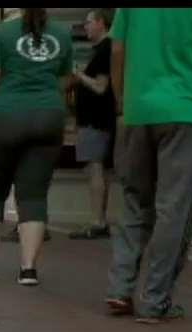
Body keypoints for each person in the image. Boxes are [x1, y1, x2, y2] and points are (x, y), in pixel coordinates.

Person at [105, 8, 192, 323]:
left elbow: (117, 49)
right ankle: (155, 300)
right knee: (174, 209)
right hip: (187, 110)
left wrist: (122, 101)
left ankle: (120, 288)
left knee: (133, 201)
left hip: (137, 110)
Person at [0, 8, 74, 286]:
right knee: (33, 196)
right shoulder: (62, 34)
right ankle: (28, 269)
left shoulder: (2, 34)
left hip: (6, 118)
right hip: (48, 118)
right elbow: (65, 80)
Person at [70, 9, 118, 240]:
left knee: (96, 168)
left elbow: (100, 87)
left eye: (88, 22)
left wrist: (78, 75)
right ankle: (99, 219)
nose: (85, 27)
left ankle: (97, 221)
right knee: (97, 169)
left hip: (96, 120)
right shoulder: (103, 49)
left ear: (101, 23)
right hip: (97, 120)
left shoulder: (105, 50)